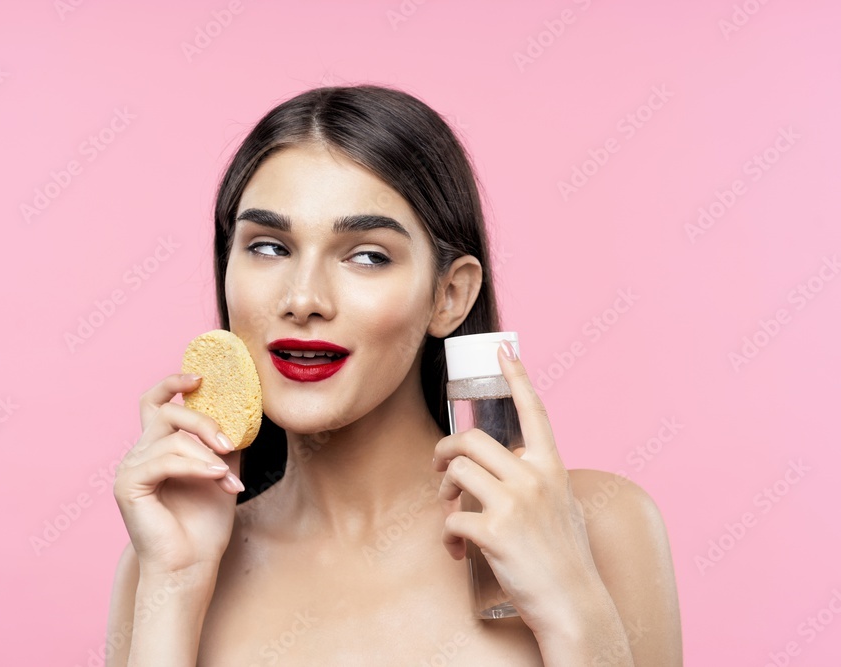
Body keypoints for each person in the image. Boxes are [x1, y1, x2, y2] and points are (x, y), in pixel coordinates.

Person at [106, 84, 682, 666]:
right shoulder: (165, 557)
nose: (303, 298)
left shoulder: (598, 524)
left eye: (367, 255)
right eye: (270, 247)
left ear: (449, 297)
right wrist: (176, 586)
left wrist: (571, 603)